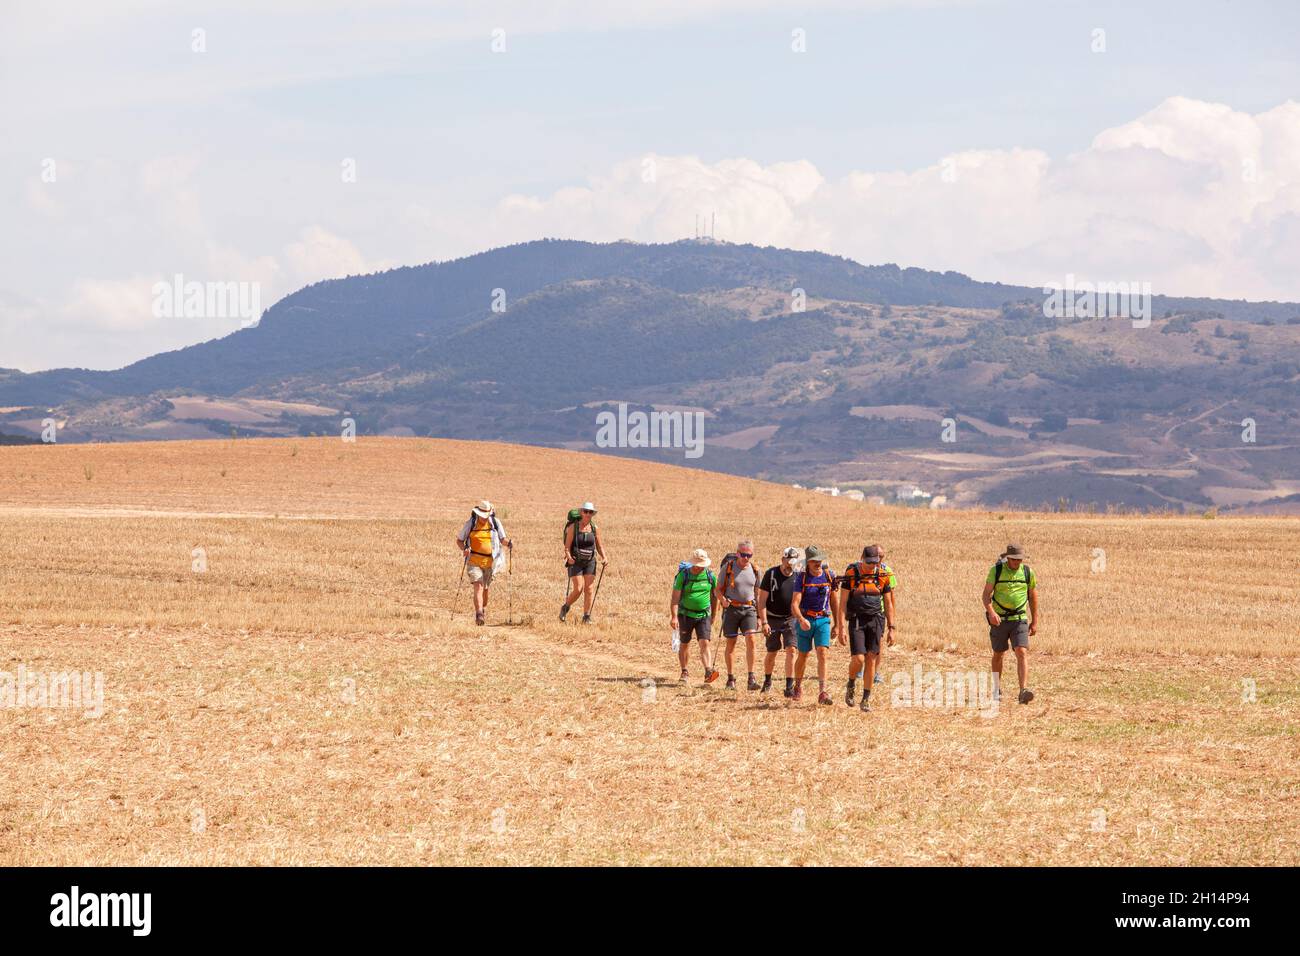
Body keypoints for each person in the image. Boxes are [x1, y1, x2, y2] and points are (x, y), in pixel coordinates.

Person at [835, 545, 896, 711]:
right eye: (869, 563)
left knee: (871, 658)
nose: (872, 566)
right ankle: (851, 683)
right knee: (859, 658)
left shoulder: (883, 575)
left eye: (875, 563)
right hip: (857, 620)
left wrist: (891, 627)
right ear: (862, 559)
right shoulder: (852, 574)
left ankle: (866, 699)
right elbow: (843, 603)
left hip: (876, 620)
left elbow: (889, 603)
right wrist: (840, 627)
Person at [982, 543, 1039, 704]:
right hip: (999, 620)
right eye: (1014, 560)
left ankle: (1023, 691)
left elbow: (1033, 597)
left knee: (1021, 651)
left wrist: (1035, 621)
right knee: (998, 654)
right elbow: (986, 595)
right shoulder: (996, 571)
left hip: (1019, 619)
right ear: (1007, 558)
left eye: (1019, 560)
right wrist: (991, 612)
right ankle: (996, 689)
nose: (1017, 563)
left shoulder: (1027, 573)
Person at [790, 545, 839, 704]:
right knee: (803, 655)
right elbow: (795, 604)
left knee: (822, 653)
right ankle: (797, 686)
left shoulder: (829, 576)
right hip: (806, 619)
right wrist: (801, 619)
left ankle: (823, 692)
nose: (818, 563)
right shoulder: (802, 578)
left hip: (823, 619)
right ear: (808, 562)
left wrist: (837, 624)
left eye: (819, 560)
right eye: (814, 561)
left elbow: (834, 600)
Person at [455, 500, 512, 626]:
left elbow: (502, 539)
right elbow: (459, 540)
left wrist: (509, 543)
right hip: (473, 561)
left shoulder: (495, 523)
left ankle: (482, 608)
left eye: (485, 515)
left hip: (490, 563)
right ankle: (479, 614)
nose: (483, 518)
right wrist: (465, 548)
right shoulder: (471, 523)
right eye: (481, 515)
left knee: (485, 590)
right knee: (478, 586)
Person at [715, 540, 761, 690]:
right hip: (732, 610)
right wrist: (722, 600)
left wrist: (760, 617)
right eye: (743, 554)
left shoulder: (755, 570)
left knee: (752, 639)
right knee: (731, 643)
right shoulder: (728, 568)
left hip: (749, 609)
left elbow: (758, 594)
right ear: (737, 553)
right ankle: (730, 678)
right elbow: (717, 589)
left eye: (749, 555)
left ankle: (751, 678)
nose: (746, 558)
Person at [671, 549, 720, 685]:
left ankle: (708, 671)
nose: (700, 568)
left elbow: (715, 597)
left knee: (705, 643)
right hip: (685, 615)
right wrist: (674, 617)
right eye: (698, 565)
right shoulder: (683, 575)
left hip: (704, 615)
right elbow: (675, 598)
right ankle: (684, 671)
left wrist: (714, 616)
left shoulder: (710, 576)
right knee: (685, 643)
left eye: (702, 565)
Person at [757, 547, 801, 697]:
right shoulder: (771, 575)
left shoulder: (798, 575)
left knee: (792, 649)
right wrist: (764, 622)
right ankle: (768, 681)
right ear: (782, 560)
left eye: (793, 563)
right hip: (772, 618)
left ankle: (789, 686)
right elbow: (761, 601)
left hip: (790, 618)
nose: (790, 566)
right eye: (788, 562)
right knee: (772, 652)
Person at [561, 502, 607, 623]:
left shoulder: (594, 528)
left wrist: (604, 557)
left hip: (590, 561)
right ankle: (565, 606)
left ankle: (586, 617)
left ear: (592, 514)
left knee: (589, 588)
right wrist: (569, 557)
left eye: (590, 512)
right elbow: (567, 547)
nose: (587, 514)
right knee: (578, 588)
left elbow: (599, 546)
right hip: (575, 561)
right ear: (581, 512)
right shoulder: (573, 528)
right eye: (585, 511)